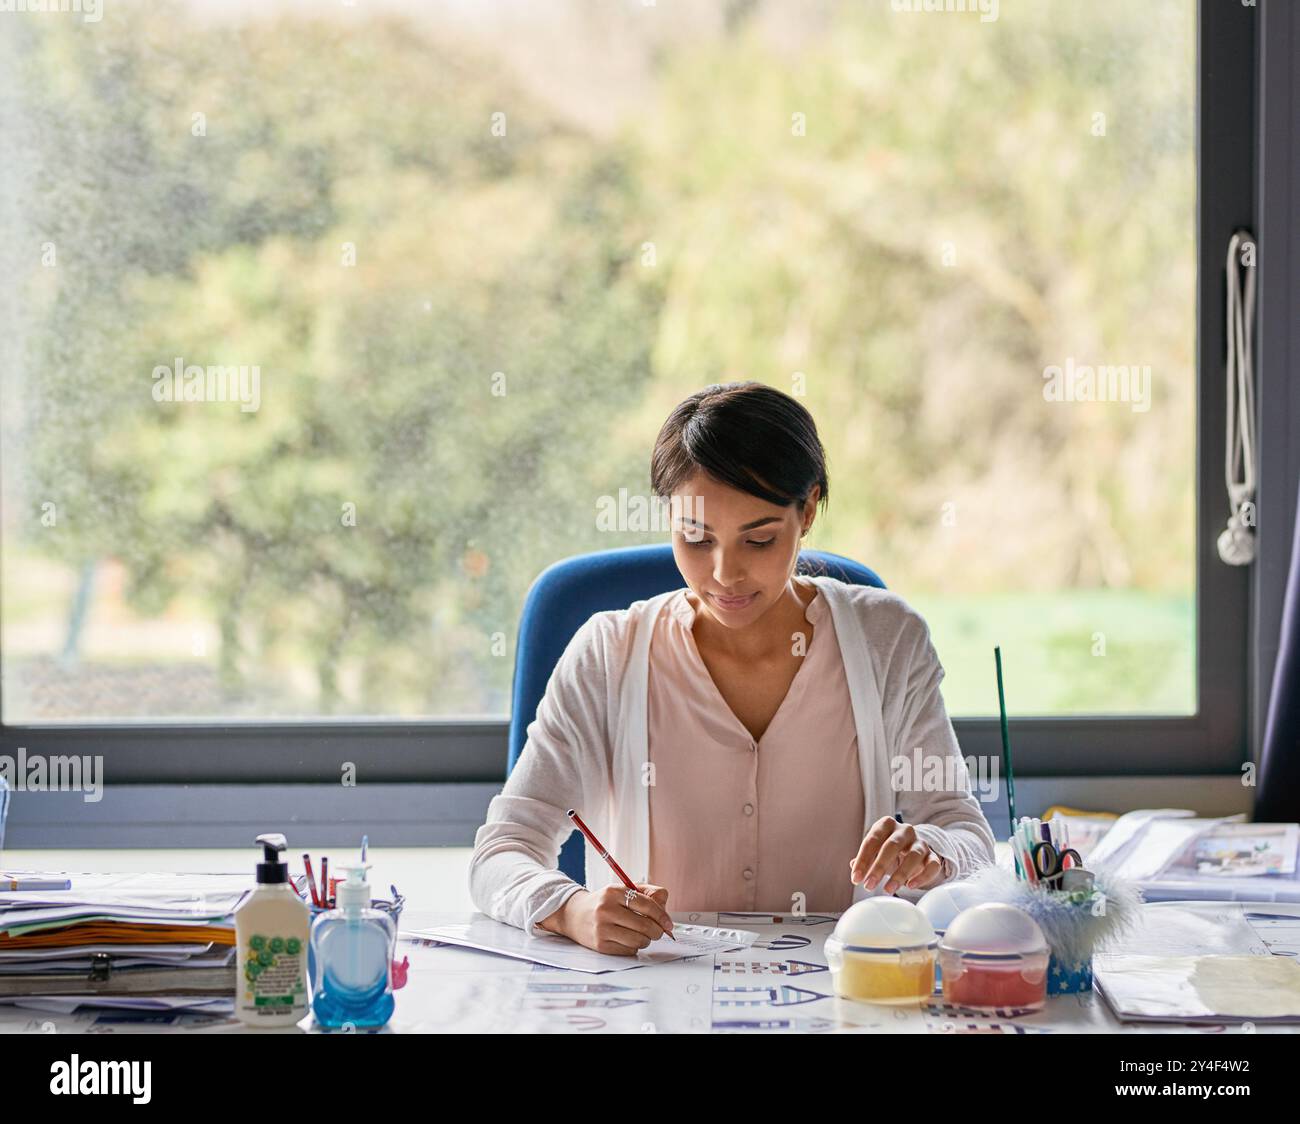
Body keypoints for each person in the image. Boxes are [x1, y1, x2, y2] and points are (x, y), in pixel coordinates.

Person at [469, 381, 996, 955]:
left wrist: (931, 851)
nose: (725, 574)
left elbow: (965, 832)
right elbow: (502, 850)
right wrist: (567, 908)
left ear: (808, 510)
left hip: (839, 987)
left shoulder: (885, 639)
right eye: (696, 538)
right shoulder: (609, 655)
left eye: (760, 540)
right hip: (654, 993)